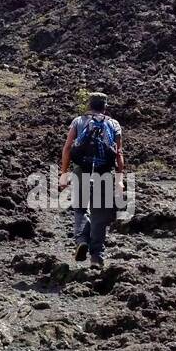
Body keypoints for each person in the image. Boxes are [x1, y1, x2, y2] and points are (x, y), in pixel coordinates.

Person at [59, 92, 125, 268]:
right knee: (100, 214)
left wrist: (64, 173)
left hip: (82, 169)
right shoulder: (114, 124)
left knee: (80, 208)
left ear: (89, 105)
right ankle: (96, 257)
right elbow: (118, 153)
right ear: (105, 107)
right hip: (104, 172)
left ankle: (81, 240)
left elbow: (67, 148)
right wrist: (119, 179)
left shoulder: (78, 121)